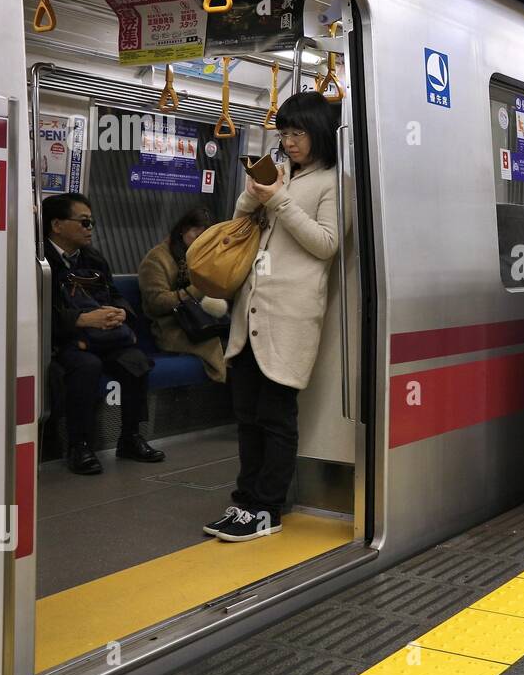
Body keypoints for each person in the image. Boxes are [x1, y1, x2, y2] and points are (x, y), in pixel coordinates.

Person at [204, 92, 343, 542]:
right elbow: (239, 230)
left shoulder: (333, 183)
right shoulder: (281, 175)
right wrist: (252, 197)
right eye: (284, 133)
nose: (289, 141)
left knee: (275, 415)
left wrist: (280, 200)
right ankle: (244, 501)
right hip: (250, 313)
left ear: (319, 133)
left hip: (290, 316)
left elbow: (326, 244)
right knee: (245, 415)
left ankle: (268, 507)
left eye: (298, 132)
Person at [42, 193, 165, 474]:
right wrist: (82, 319)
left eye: (91, 223)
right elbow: (35, 309)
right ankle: (79, 445)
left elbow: (114, 294)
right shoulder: (40, 262)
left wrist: (120, 312)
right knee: (87, 366)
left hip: (104, 337)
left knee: (135, 361)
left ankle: (130, 437)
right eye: (83, 222)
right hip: (64, 340)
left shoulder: (93, 259)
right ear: (57, 225)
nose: (89, 229)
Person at [138, 206, 229, 382]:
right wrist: (196, 289)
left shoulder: (203, 257)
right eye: (196, 238)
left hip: (206, 321)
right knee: (219, 346)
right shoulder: (156, 259)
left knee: (240, 343)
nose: (200, 245)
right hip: (172, 327)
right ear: (182, 230)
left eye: (207, 241)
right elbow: (156, 303)